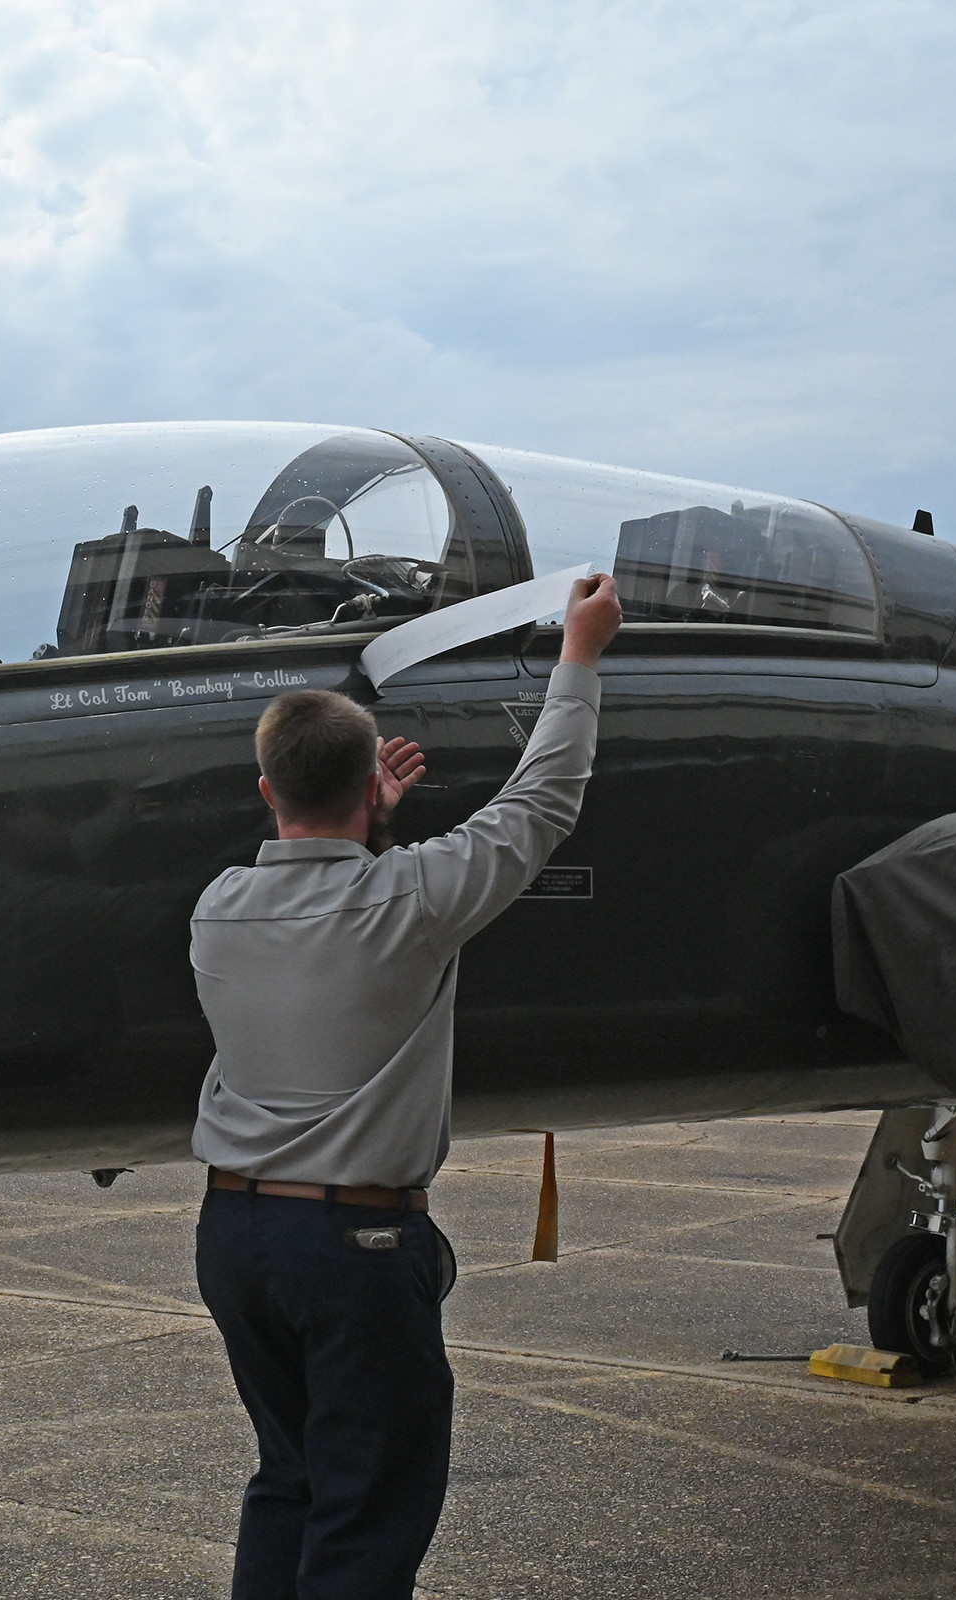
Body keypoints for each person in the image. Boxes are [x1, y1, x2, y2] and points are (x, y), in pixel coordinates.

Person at [191, 573, 622, 1600]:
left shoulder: (217, 908)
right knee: (366, 1515)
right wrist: (578, 657)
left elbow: (329, 896)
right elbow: (542, 800)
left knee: (288, 1484)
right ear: (362, 787)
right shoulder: (411, 899)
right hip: (355, 1248)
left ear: (265, 790)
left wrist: (366, 824)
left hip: (235, 1238)